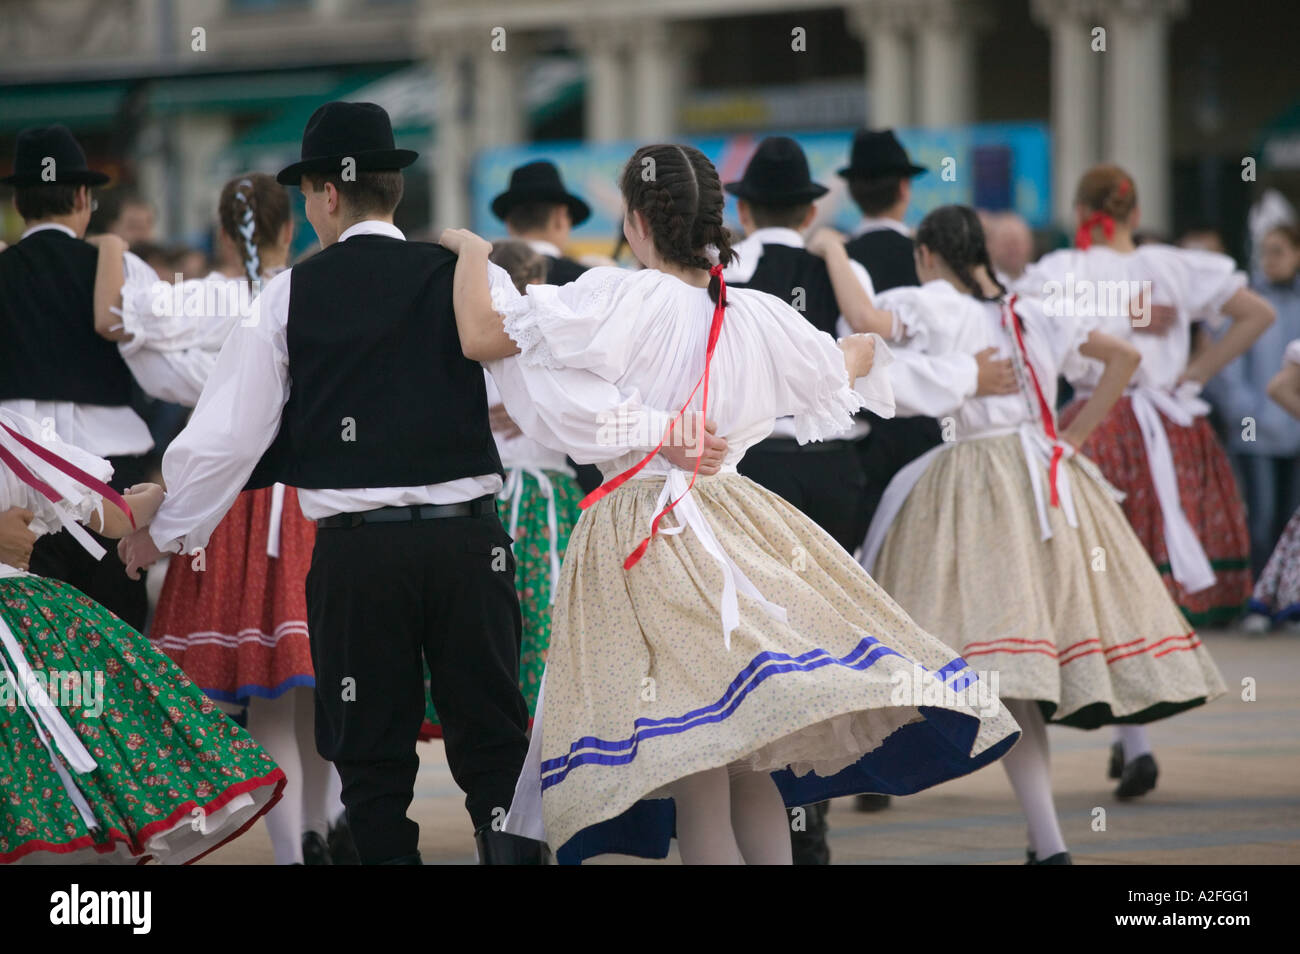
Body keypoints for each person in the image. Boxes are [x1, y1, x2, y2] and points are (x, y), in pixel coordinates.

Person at [115, 102, 694, 865]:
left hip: (361, 558)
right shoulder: (459, 280)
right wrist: (659, 434)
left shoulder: (290, 297)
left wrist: (162, 527)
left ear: (324, 195)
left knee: (373, 760)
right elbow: (550, 399)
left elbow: (228, 437)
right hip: (469, 543)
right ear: (392, 189)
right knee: (493, 742)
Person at [442, 143, 1022, 865]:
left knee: (701, 764)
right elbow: (837, 364)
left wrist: (469, 250)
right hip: (735, 514)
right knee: (749, 756)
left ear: (639, 222)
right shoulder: (753, 314)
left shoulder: (620, 295)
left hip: (647, 527)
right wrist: (866, 351)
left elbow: (482, 336)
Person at [861, 205, 1227, 863]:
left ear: (927, 256)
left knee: (1006, 672)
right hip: (1045, 472)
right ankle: (1048, 839)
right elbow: (1125, 355)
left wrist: (833, 251)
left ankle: (1048, 841)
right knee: (1022, 670)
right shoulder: (1033, 306)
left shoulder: (942, 306)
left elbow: (867, 324)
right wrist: (1074, 436)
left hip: (979, 478)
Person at [721, 135, 1018, 856]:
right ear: (813, 205)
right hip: (835, 470)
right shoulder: (840, 266)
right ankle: (815, 802)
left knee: (765, 640)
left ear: (748, 208)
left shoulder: (730, 272)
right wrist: (964, 381)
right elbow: (877, 357)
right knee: (827, 629)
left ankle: (779, 804)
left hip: (760, 465)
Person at [94, 172, 351, 865]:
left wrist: (114, 245)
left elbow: (129, 332)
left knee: (265, 686)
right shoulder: (310, 292)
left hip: (231, 498)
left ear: (218, 230)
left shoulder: (201, 300)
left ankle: (297, 848)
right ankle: (328, 821)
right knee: (320, 679)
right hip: (309, 495)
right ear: (288, 227)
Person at [1015, 166, 1273, 795]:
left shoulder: (1063, 271)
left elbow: (1022, 324)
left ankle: (1136, 742)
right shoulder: (1172, 265)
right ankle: (1137, 739)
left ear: (1081, 211)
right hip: (1170, 424)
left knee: (1108, 583)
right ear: (1133, 211)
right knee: (1144, 581)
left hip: (1096, 422)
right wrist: (1190, 373)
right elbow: (1256, 312)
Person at [0, 407, 284, 863]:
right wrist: (155, 498)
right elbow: (116, 516)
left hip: (20, 622)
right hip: (22, 623)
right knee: (56, 751)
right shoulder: (14, 438)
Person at [0, 125, 181, 632]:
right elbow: (162, 361)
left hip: (15, 480)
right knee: (116, 637)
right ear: (83, 196)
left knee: (32, 641)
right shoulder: (120, 268)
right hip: (107, 472)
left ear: (19, 202)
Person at [418, 239, 584, 746]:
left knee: (503, 624)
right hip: (532, 497)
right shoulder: (547, 341)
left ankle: (515, 736)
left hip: (497, 498)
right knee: (545, 617)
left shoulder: (475, 343)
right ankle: (542, 736)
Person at [493, 160, 605, 495]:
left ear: (510, 222)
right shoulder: (589, 282)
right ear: (560, 217)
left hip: (487, 476)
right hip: (576, 473)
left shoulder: (473, 282)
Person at [1205, 225, 1300, 593]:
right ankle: (1258, 596)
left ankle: (1287, 596)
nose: (1270, 260)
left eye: (1278, 251)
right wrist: (1248, 414)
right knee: (1260, 519)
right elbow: (1228, 366)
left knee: (1290, 519)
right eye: (1265, 252)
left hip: (1294, 426)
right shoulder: (1247, 299)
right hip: (1258, 429)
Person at [1244, 337, 1300, 629]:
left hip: (1288, 439)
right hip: (1259, 436)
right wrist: (1247, 417)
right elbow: (1277, 388)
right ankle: (1266, 607)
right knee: (1263, 521)